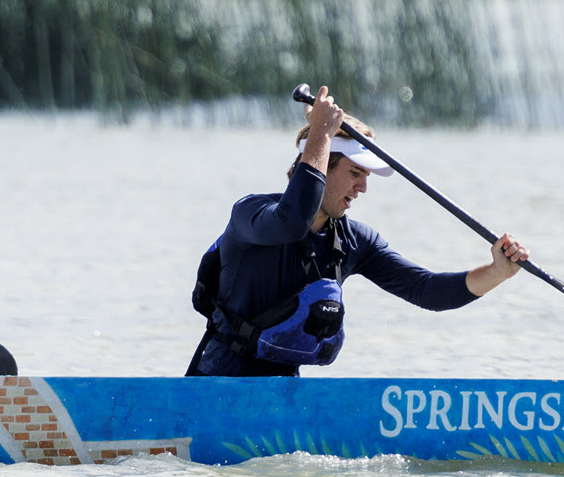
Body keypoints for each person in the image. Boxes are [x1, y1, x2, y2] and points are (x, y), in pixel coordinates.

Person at [187, 87, 531, 377]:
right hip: (216, 383)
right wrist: (321, 133)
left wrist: (497, 272)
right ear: (323, 164)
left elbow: (427, 291)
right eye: (355, 173)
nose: (363, 188)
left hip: (285, 393)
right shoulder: (251, 215)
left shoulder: (355, 242)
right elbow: (292, 221)